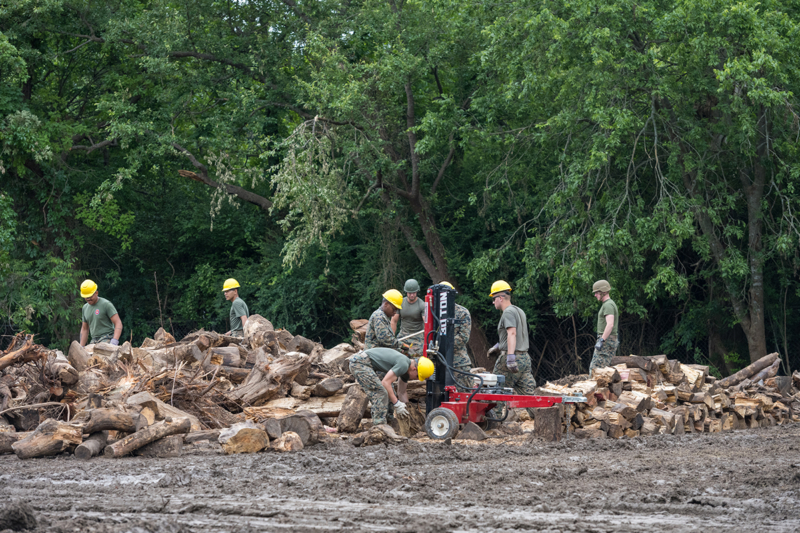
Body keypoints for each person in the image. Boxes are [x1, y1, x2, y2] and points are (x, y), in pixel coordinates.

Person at [488, 280, 537, 419]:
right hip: (525, 359)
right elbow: (515, 335)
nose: (493, 302)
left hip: (512, 358)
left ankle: (493, 423)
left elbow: (512, 333)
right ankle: (545, 418)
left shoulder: (507, 313)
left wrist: (509, 357)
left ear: (500, 298)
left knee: (495, 392)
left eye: (493, 298)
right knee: (529, 398)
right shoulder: (519, 311)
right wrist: (497, 347)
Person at [349, 347, 435, 425]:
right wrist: (397, 404)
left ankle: (390, 422)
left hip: (366, 363)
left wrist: (406, 410)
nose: (415, 379)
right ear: (414, 369)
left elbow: (402, 392)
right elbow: (385, 382)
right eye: (417, 376)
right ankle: (380, 426)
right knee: (381, 393)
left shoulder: (406, 370)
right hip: (359, 363)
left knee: (391, 393)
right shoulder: (404, 364)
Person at [439, 282, 473, 390]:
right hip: (439, 363)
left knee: (463, 397)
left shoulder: (462, 313)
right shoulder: (434, 313)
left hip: (459, 365)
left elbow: (463, 337)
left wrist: (444, 346)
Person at [79, 279, 122, 347]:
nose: (88, 299)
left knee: (101, 353)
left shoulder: (106, 304)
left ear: (96, 293)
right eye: (86, 297)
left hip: (107, 337)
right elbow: (85, 329)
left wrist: (114, 341)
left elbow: (118, 323)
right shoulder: (85, 308)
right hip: (94, 340)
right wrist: (81, 347)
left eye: (90, 296)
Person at [589, 279, 619, 371]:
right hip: (607, 340)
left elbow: (610, 324)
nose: (595, 295)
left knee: (595, 370)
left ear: (604, 292)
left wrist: (602, 340)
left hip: (606, 341)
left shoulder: (608, 305)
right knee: (606, 371)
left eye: (597, 292)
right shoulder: (608, 304)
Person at [391, 279, 426, 357]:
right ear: (406, 292)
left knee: (417, 355)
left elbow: (426, 322)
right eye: (410, 293)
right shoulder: (401, 303)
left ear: (417, 291)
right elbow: (394, 321)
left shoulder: (422, 305)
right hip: (403, 334)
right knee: (395, 353)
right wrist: (392, 337)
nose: (412, 295)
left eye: (414, 293)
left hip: (418, 336)